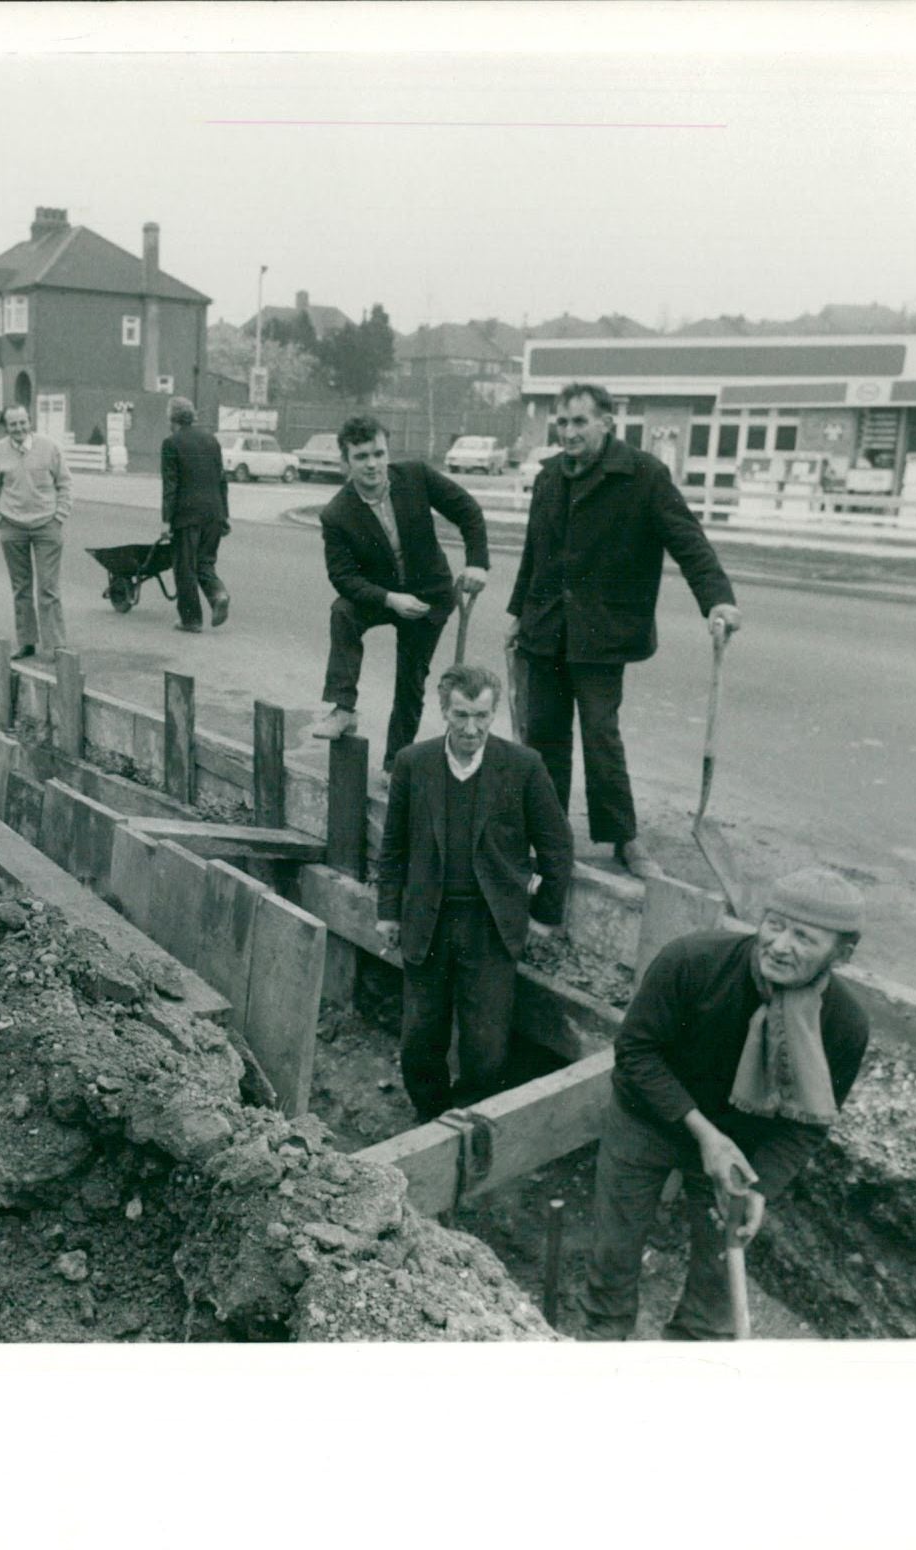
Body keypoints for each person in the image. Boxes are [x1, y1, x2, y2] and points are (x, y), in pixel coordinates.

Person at [578, 868, 870, 1340]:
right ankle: (600, 1346)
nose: (779, 944)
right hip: (648, 1121)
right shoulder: (692, 963)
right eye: (774, 925)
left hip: (739, 1148)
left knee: (717, 1282)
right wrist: (704, 1134)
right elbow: (635, 1052)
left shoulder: (842, 1024)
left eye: (803, 937)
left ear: (843, 953)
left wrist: (760, 1189)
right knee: (614, 1253)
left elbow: (808, 1125)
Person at [505, 383, 740, 878]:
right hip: (545, 628)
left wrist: (717, 599)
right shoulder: (549, 477)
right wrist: (516, 614)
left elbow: (688, 540)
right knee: (544, 736)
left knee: (600, 734)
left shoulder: (642, 475)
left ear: (607, 423)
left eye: (580, 422)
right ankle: (550, 835)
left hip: (602, 632)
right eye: (562, 423)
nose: (569, 432)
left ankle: (623, 839)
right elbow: (534, 553)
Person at [376, 664, 574, 1119]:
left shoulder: (523, 767)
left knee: (486, 1043)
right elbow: (394, 846)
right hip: (428, 919)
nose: (472, 728)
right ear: (443, 710)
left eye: (482, 716)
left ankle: (468, 1118)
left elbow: (557, 844)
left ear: (493, 712)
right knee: (421, 1035)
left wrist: (544, 914)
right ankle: (428, 1115)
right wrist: (389, 910)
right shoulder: (413, 763)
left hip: (490, 925)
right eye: (461, 715)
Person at [313, 414, 489, 766]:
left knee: (410, 683)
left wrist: (477, 563)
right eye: (361, 457)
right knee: (343, 610)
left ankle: (395, 765)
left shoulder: (416, 477)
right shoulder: (337, 513)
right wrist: (389, 599)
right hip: (383, 596)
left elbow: (468, 510)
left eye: (378, 453)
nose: (372, 464)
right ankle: (343, 707)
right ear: (345, 462)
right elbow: (343, 578)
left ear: (387, 453)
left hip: (428, 597)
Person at [0, 403, 72, 661]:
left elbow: (65, 483)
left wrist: (59, 516)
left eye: (22, 422)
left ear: (29, 421)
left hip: (47, 525)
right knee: (21, 588)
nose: (19, 428)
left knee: (48, 587)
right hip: (12, 526)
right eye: (13, 424)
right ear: (6, 426)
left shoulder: (50, 448)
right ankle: (26, 642)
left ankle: (55, 644)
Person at [160, 397, 231, 633]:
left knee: (184, 567)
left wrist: (166, 521)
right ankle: (218, 594)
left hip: (187, 516)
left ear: (172, 419)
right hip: (214, 513)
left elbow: (171, 486)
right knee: (205, 562)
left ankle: (191, 620)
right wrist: (225, 515)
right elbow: (222, 480)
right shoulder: (211, 441)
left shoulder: (171, 443)